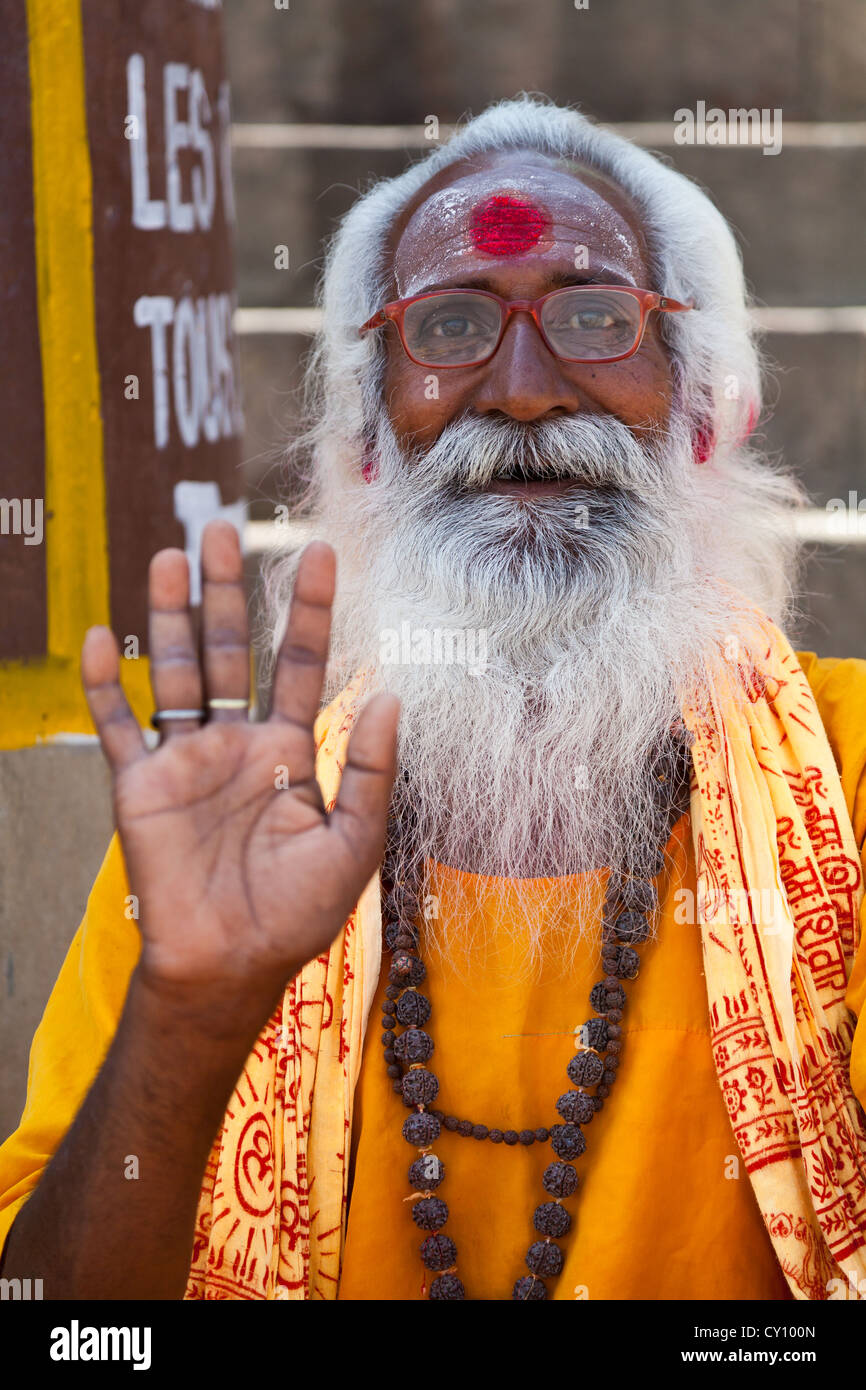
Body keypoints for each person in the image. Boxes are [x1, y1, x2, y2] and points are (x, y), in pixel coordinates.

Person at [1, 96, 865, 1302]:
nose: (520, 391)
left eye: (594, 316)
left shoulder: (850, 770)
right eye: (449, 323)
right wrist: (191, 1014)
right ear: (365, 439)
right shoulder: (238, 823)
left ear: (703, 413)